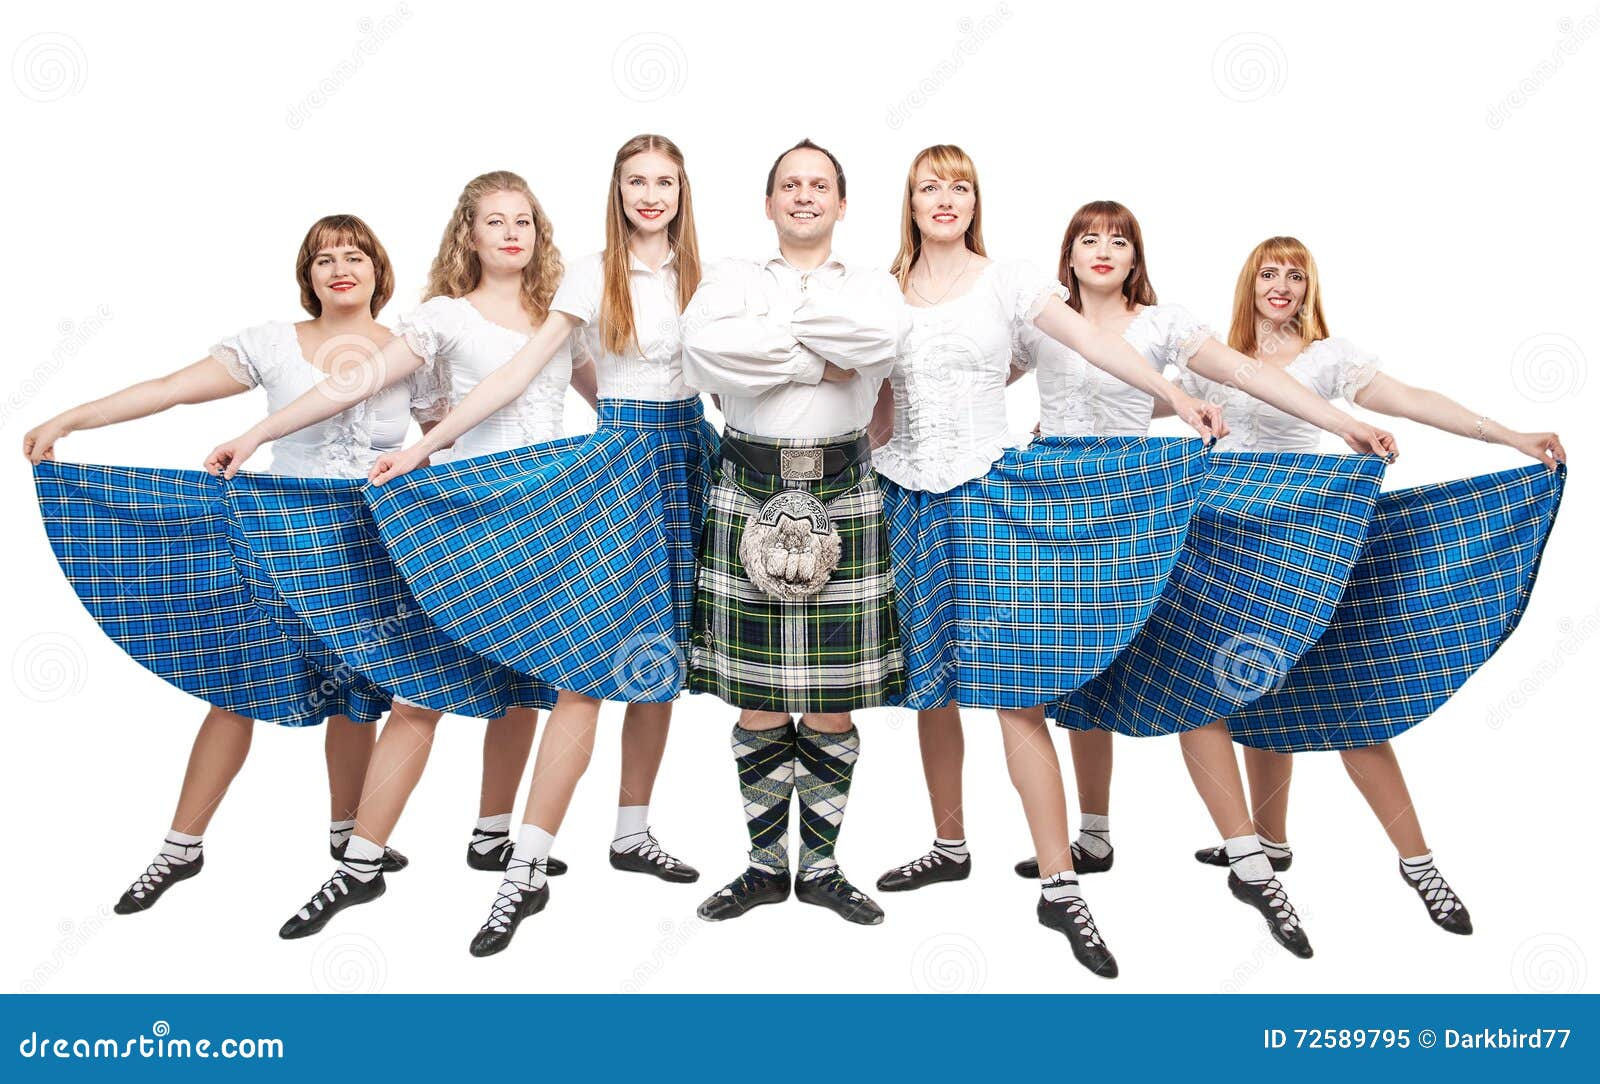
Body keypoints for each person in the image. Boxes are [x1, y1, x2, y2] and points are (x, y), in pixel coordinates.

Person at [356, 136, 714, 957]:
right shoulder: (591, 271)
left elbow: (727, 374)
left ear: (683, 191)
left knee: (658, 656)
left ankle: (632, 831)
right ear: (616, 191)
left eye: (664, 181)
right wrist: (423, 446)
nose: (650, 195)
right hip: (620, 463)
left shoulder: (711, 277)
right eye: (636, 182)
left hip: (693, 456)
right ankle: (527, 862)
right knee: (589, 664)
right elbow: (521, 375)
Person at [26, 215, 437, 915]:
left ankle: (348, 836)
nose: (340, 268)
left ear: (379, 269)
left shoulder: (412, 349)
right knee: (237, 687)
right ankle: (180, 848)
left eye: (355, 256)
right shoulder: (273, 343)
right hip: (273, 534)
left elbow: (452, 432)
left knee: (359, 694)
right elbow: (170, 388)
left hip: (367, 540)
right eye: (323, 259)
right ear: (307, 277)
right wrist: (71, 418)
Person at [1186, 236, 1565, 933]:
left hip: (1303, 533)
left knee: (1351, 706)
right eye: (1269, 273)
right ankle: (1268, 842)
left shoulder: (1327, 356)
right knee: (1251, 684)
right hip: (1225, 538)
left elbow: (1410, 398)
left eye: (1295, 276)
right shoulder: (1216, 358)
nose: (1281, 286)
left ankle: (1418, 862)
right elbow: (1148, 399)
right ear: (1249, 282)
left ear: (1309, 288)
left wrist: (1507, 434)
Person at [681, 139, 905, 928]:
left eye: (819, 185)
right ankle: (763, 865)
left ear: (842, 204)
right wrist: (818, 359)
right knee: (756, 698)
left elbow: (880, 344)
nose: (804, 195)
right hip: (749, 482)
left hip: (844, 487)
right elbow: (704, 351)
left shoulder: (877, 285)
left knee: (835, 701)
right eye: (789, 184)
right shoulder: (731, 280)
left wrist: (769, 342)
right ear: (769, 201)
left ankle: (824, 867)